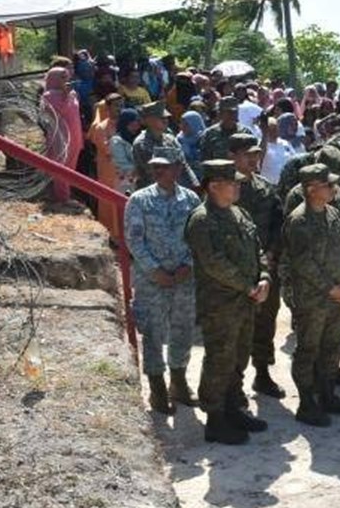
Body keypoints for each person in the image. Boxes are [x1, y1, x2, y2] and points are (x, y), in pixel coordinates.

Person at [184, 159, 271, 445]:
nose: (237, 186)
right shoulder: (202, 220)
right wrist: (248, 286)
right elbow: (213, 264)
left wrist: (264, 277)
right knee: (220, 359)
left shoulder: (240, 213)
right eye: (231, 183)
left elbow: (257, 249)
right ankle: (215, 419)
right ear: (213, 186)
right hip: (220, 305)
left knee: (238, 357)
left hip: (245, 301)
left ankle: (233, 407)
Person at [280, 164, 340, 425]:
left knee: (332, 346)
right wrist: (330, 289)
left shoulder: (333, 213)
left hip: (338, 297)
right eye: (328, 184)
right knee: (308, 350)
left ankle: (327, 394)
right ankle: (306, 402)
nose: (334, 188)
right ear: (312, 189)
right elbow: (304, 264)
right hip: (313, 299)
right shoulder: (298, 221)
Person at [124, 155, 201, 415]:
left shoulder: (190, 200)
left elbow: (199, 235)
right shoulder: (139, 200)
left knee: (183, 330)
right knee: (153, 333)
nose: (157, 170)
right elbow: (135, 240)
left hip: (183, 279)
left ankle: (178, 383)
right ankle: (157, 389)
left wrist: (187, 265)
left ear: (178, 168)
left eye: (164, 166)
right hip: (151, 281)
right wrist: (154, 271)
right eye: (154, 166)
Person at [228, 135, 286, 400]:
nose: (253, 159)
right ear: (233, 157)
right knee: (238, 327)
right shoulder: (224, 189)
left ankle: (262, 373)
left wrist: (272, 252)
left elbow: (278, 223)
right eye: (246, 154)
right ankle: (234, 383)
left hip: (266, 268)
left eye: (255, 154)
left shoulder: (265, 187)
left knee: (266, 322)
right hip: (237, 272)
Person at [40, 67, 84, 204]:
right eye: (62, 77)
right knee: (61, 166)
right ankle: (62, 198)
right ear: (53, 78)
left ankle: (65, 194)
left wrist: (68, 94)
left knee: (71, 166)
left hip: (75, 134)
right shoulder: (48, 96)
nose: (67, 80)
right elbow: (59, 112)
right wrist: (65, 95)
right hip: (61, 136)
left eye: (67, 77)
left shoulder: (72, 93)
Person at [133, 101, 198, 190]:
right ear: (148, 120)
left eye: (166, 117)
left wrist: (195, 184)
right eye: (160, 117)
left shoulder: (170, 139)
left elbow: (183, 164)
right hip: (151, 192)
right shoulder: (141, 143)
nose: (165, 120)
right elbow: (152, 172)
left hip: (174, 189)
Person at [86, 93, 125, 238]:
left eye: (122, 105)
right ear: (107, 108)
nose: (120, 109)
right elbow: (109, 151)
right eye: (117, 106)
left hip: (124, 174)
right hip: (109, 172)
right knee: (108, 202)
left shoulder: (126, 125)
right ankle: (110, 235)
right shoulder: (100, 128)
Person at [199, 96, 251, 162]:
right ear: (220, 113)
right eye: (228, 112)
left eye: (235, 112)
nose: (232, 115)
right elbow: (204, 160)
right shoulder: (210, 134)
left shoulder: (245, 132)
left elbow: (252, 157)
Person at [109, 107, 141, 194]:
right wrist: (143, 170)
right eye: (132, 125)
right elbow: (122, 164)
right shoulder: (116, 141)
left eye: (138, 125)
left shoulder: (139, 139)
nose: (136, 128)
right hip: (124, 184)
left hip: (139, 184)